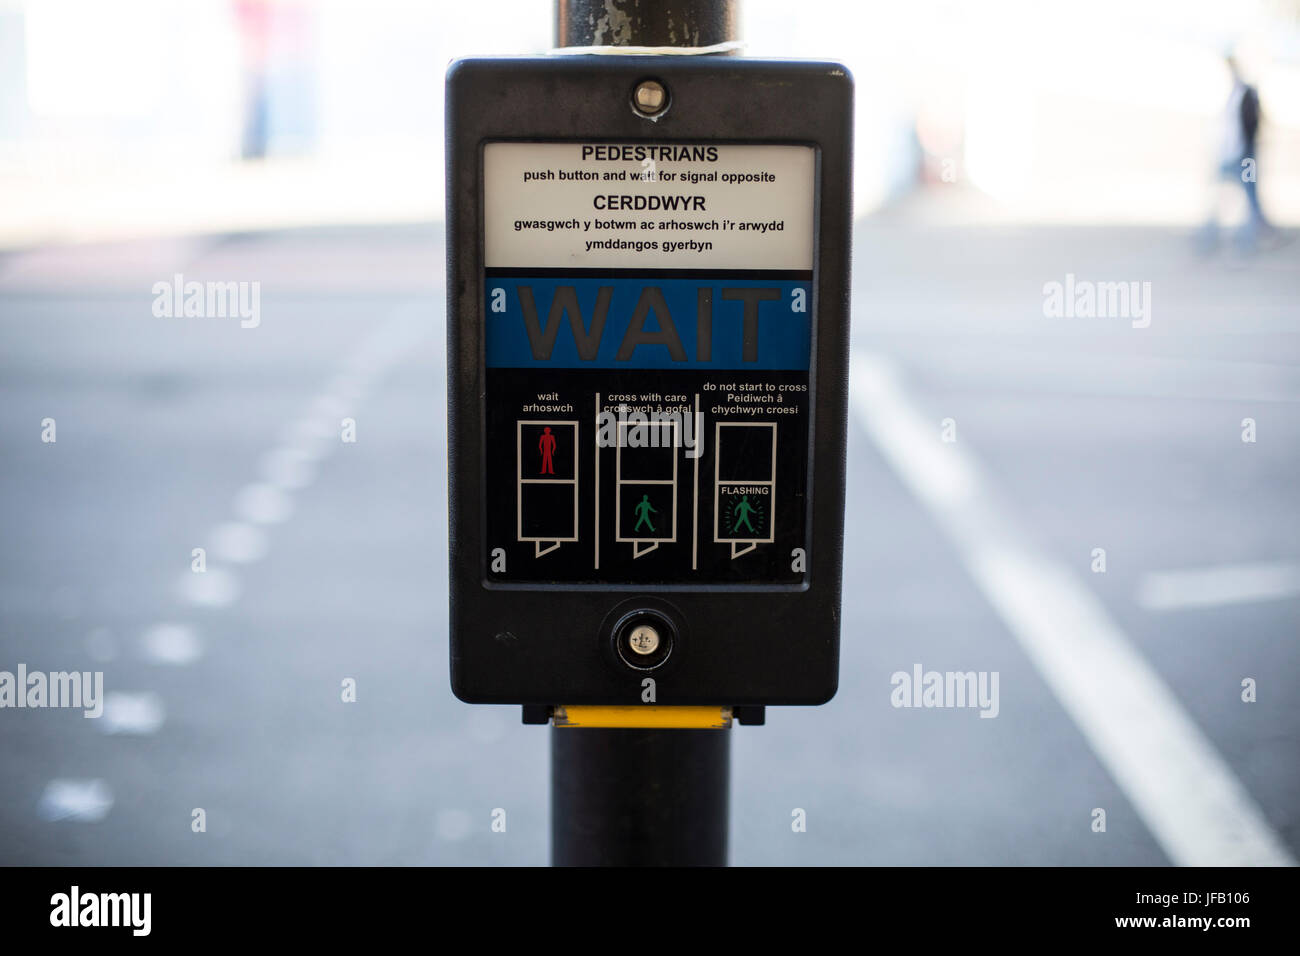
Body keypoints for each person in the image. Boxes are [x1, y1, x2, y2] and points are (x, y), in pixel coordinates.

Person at [1200, 55, 1272, 253]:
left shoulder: (1246, 93)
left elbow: (1252, 124)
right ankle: (1212, 236)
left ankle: (1252, 235)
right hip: (1229, 154)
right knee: (1221, 195)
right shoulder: (1229, 94)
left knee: (1249, 195)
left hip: (1245, 155)